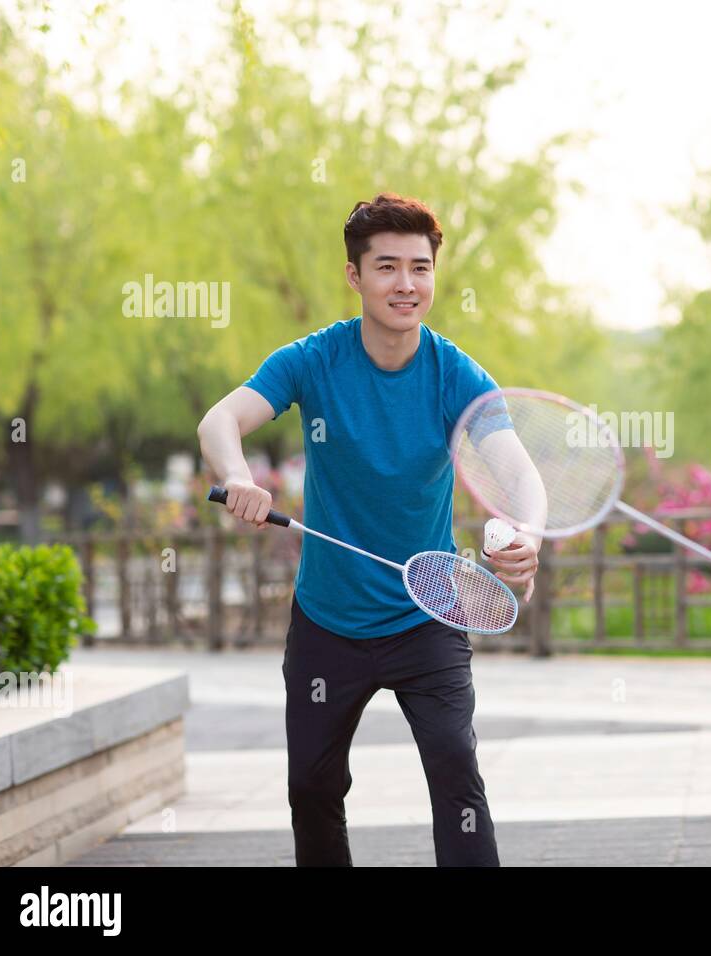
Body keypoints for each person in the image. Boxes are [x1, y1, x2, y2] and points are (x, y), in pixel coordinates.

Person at [196, 193, 539, 866]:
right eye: (386, 267)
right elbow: (219, 422)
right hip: (328, 621)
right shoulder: (314, 360)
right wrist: (236, 476)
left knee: (455, 775)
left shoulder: (454, 374)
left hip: (429, 611)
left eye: (420, 267)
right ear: (354, 275)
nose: (406, 284)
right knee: (313, 788)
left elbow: (518, 472)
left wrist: (529, 530)